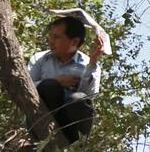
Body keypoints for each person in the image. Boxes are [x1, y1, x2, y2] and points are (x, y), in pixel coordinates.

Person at [28, 15, 104, 144]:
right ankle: (43, 137)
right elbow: (24, 87)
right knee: (49, 85)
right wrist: (58, 81)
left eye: (56, 37)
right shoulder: (40, 59)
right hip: (40, 121)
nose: (51, 41)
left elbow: (89, 100)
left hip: (70, 131)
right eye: (51, 35)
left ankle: (72, 147)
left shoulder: (88, 64)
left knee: (79, 98)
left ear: (74, 42)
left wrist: (92, 63)